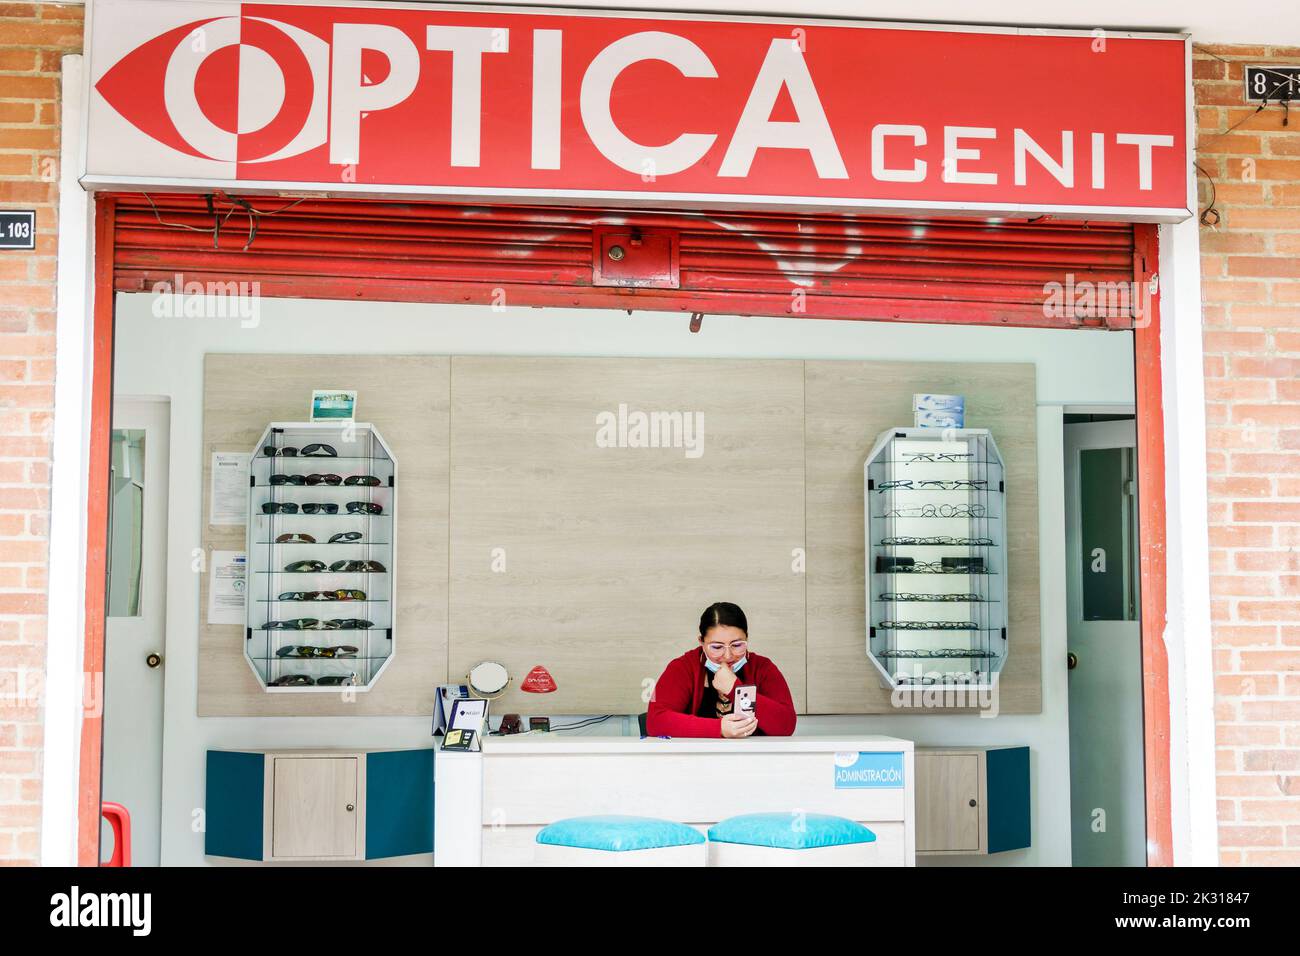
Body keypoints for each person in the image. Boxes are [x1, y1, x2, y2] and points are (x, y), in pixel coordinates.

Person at [645, 602, 797, 738]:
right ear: (702, 642)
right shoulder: (684, 667)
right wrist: (719, 728)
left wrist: (734, 689)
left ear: (747, 638)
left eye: (737, 645)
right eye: (717, 647)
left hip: (751, 760)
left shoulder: (762, 668)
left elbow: (786, 724)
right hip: (694, 761)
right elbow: (655, 721)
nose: (728, 655)